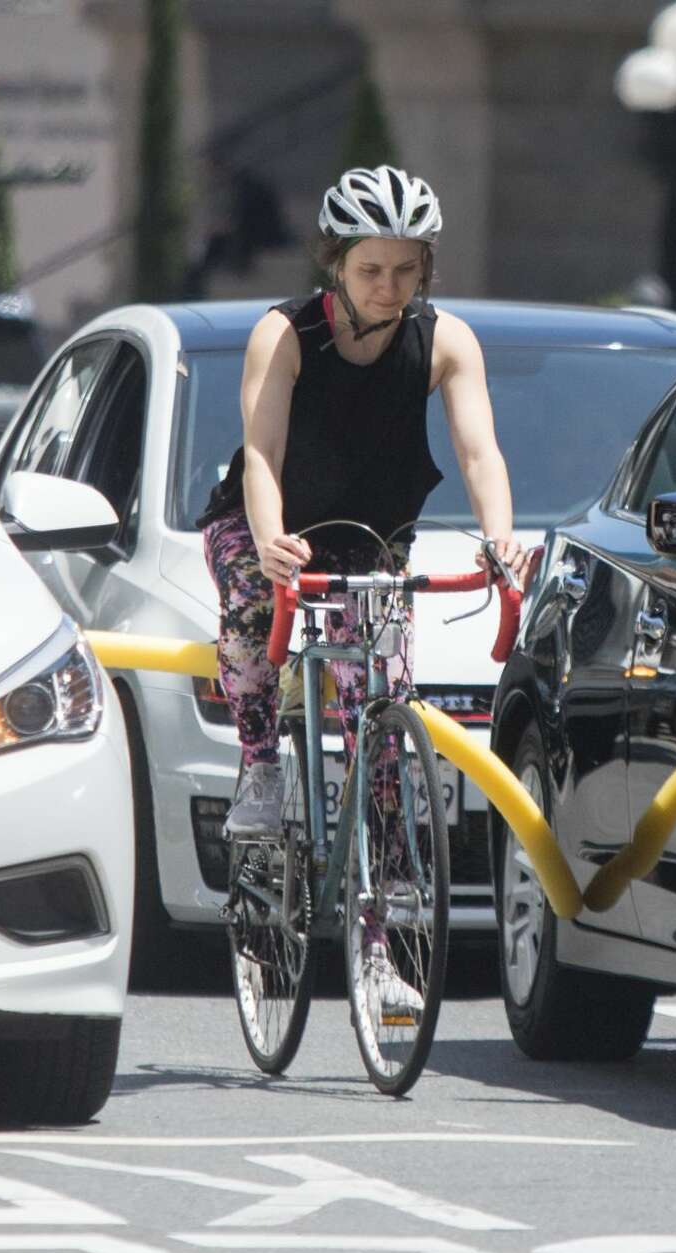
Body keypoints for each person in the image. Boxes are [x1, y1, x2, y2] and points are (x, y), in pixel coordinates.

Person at [199, 164, 530, 835]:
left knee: (381, 688)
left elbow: (479, 452)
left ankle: (383, 868)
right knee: (250, 605)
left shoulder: (446, 341)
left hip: (371, 531)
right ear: (336, 266)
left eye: (406, 271)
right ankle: (261, 767)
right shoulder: (285, 333)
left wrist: (500, 538)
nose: (389, 288)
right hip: (269, 520)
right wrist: (269, 543)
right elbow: (262, 452)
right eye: (371, 270)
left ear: (426, 268)